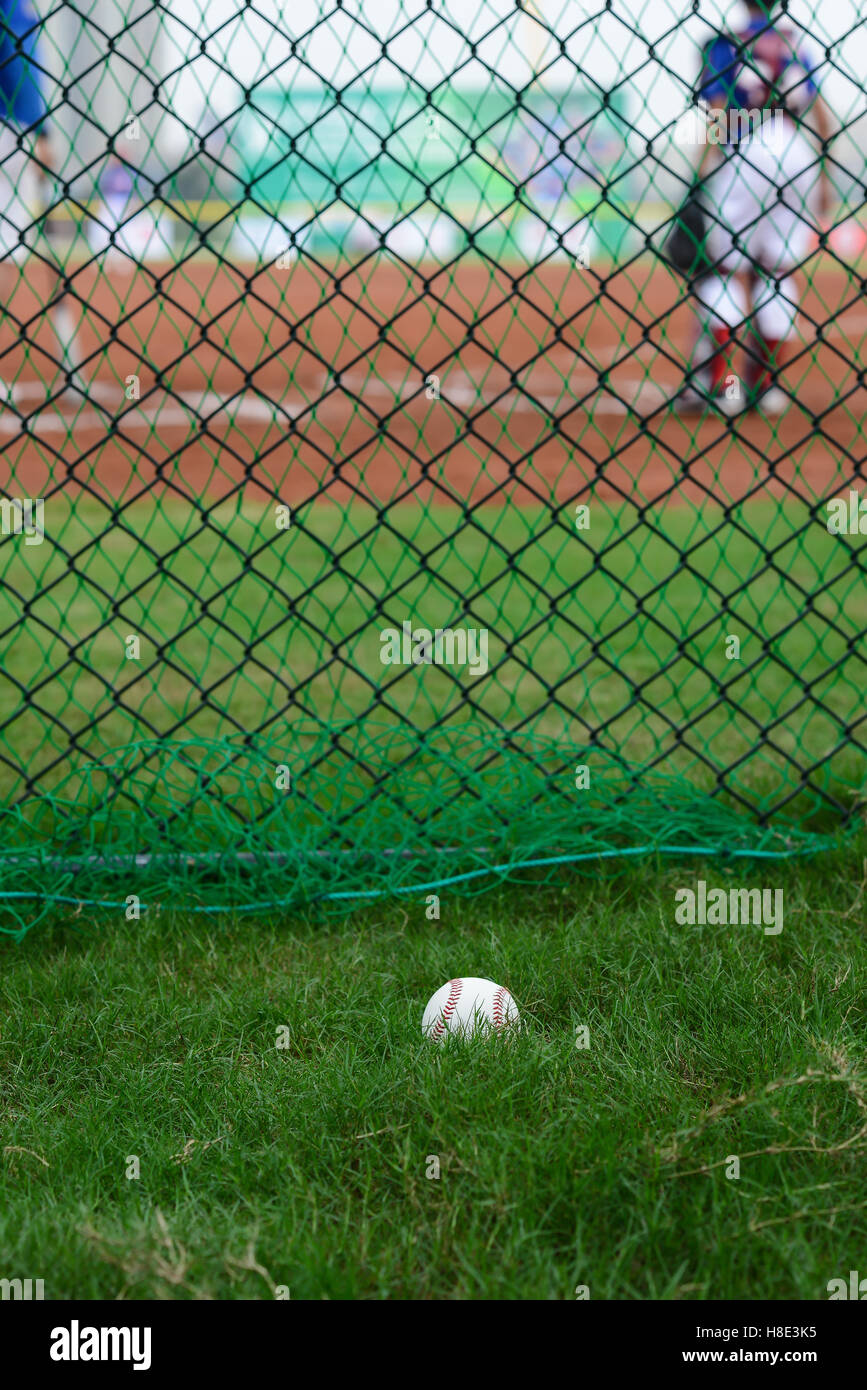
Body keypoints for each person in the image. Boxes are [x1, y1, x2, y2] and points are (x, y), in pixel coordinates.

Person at [674, 0, 833, 417]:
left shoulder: (725, 45)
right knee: (777, 272)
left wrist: (702, 171)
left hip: (746, 146)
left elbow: (719, 112)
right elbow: (822, 116)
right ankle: (768, 389)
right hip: (796, 151)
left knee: (725, 269)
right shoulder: (794, 44)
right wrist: (825, 179)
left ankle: (725, 393)